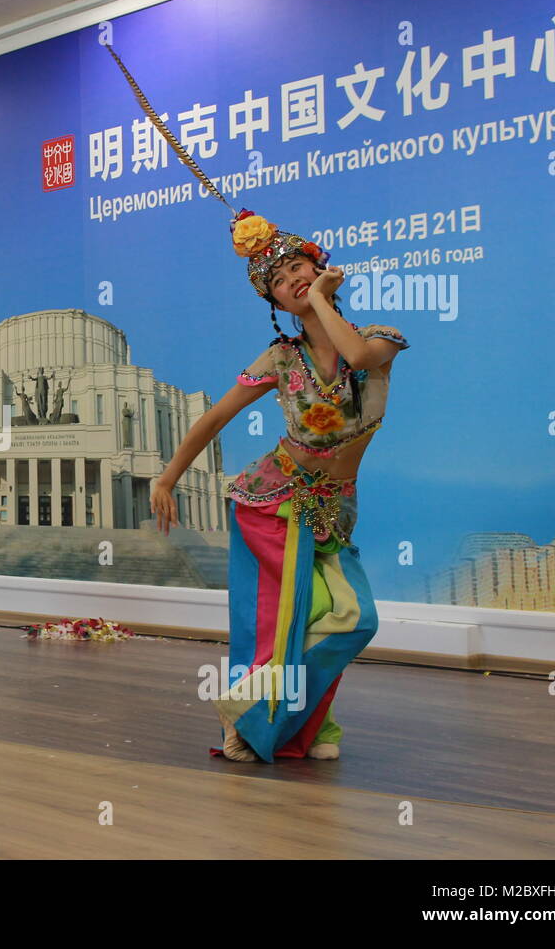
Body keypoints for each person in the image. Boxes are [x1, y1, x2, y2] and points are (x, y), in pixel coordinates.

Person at [150, 211, 408, 762]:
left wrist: (318, 301)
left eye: (299, 266)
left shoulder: (380, 340)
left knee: (352, 618)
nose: (291, 278)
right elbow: (216, 416)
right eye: (278, 280)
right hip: (274, 501)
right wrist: (168, 476)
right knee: (282, 620)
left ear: (322, 268)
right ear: (276, 304)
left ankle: (274, 716)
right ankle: (262, 723)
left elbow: (357, 359)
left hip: (334, 506)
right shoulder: (279, 358)